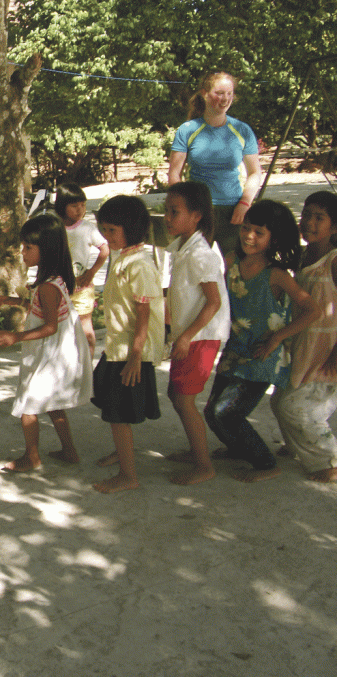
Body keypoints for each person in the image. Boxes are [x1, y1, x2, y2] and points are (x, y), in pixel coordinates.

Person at [205, 200, 320, 482]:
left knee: (227, 413)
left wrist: (277, 338)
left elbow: (313, 310)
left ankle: (266, 463)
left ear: (274, 239)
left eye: (259, 232)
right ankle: (238, 448)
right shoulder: (231, 260)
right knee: (211, 412)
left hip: (261, 356)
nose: (249, 236)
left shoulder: (276, 275)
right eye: (246, 228)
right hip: (234, 350)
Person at [0, 214, 92, 472]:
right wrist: (13, 301)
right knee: (53, 404)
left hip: (50, 355)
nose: (22, 252)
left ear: (45, 250)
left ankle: (32, 457)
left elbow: (50, 326)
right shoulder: (51, 280)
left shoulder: (48, 286)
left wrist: (16, 337)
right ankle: (69, 451)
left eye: (28, 247)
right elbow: (39, 308)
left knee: (28, 404)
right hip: (53, 354)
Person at [90, 196, 165, 494]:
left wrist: (135, 356)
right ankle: (122, 453)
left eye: (113, 230)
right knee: (110, 403)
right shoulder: (124, 257)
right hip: (117, 347)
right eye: (104, 230)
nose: (107, 236)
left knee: (118, 413)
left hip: (130, 352)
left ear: (131, 228)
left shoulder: (140, 265)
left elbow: (144, 313)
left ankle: (128, 474)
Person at [162, 182, 231, 486]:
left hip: (201, 336)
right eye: (166, 210)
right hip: (189, 334)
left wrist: (186, 336)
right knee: (177, 395)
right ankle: (196, 450)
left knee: (184, 400)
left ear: (196, 215)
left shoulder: (200, 254)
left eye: (174, 212)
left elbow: (214, 302)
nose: (167, 218)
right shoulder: (181, 247)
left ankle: (204, 465)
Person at [270, 192, 337, 482]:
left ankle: (328, 461)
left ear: (334, 227)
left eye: (319, 217)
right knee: (280, 401)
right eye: (307, 214)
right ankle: (297, 446)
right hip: (304, 345)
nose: (309, 222)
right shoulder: (303, 256)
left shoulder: (334, 261)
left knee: (298, 408)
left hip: (327, 351)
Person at [168, 71, 261, 255]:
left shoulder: (242, 130)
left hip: (233, 212)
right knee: (193, 264)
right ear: (204, 93)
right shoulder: (188, 130)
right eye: (219, 93)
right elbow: (174, 174)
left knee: (233, 266)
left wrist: (245, 203)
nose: (225, 99)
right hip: (198, 211)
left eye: (229, 93)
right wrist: (183, 209)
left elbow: (255, 173)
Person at [55, 183, 109, 356]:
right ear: (62, 206)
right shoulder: (53, 227)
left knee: (86, 332)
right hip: (57, 288)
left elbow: (105, 249)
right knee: (60, 332)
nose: (80, 209)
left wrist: (91, 272)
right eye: (74, 205)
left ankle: (88, 365)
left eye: (83, 205)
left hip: (81, 288)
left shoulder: (87, 228)